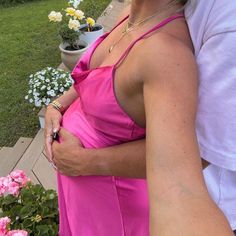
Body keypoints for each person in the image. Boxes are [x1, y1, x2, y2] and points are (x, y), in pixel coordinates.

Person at [44, 0, 234, 235]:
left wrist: (83, 161)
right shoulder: (130, 15)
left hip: (116, 211)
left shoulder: (164, 54)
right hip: (86, 201)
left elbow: (179, 184)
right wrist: (57, 105)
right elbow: (98, 73)